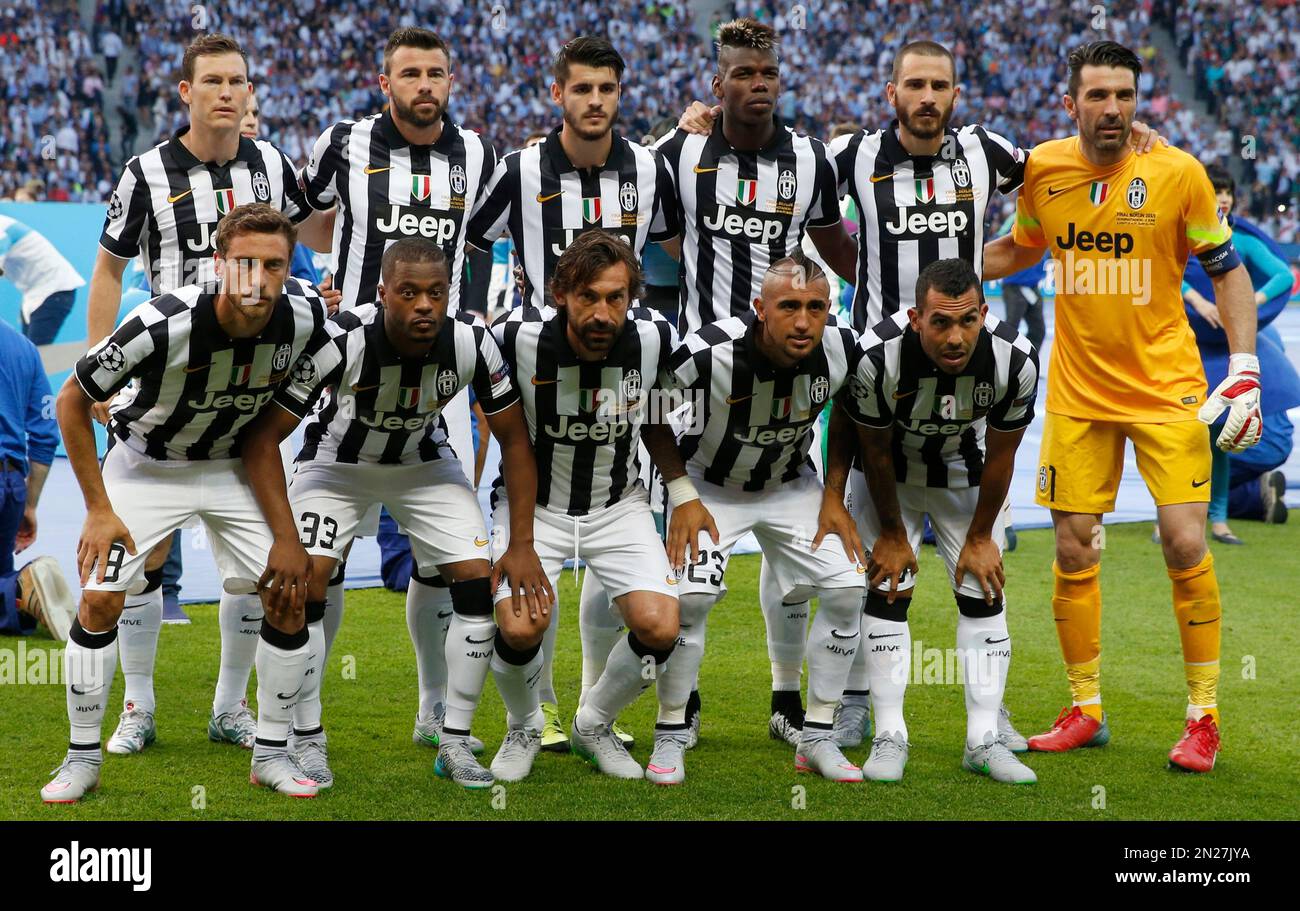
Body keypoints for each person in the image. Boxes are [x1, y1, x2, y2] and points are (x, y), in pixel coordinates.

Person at [983, 41, 1263, 773]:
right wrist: (918, 259)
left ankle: (1204, 717)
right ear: (1069, 103)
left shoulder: (1178, 172)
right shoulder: (1043, 167)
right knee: (1073, 546)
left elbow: (1225, 269)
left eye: (1126, 96)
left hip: (1167, 389)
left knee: (1183, 542)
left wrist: (1244, 367)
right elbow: (1021, 248)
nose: (1114, 109)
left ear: (1140, 103)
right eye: (1098, 95)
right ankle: (1086, 708)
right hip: (1078, 392)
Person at [88, 33, 335, 754]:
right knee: (146, 557)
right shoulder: (144, 174)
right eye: (215, 81)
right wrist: (106, 368)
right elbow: (107, 271)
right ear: (185, 93)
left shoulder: (271, 165)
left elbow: (314, 232)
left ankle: (231, 706)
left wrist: (351, 222)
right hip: (165, 392)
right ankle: (138, 706)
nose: (229, 93)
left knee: (250, 573)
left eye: (239, 81)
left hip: (252, 396)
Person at [624, 17, 863, 750]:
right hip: (700, 379)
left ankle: (788, 697)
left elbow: (833, 244)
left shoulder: (810, 159)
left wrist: (889, 297)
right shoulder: (681, 152)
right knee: (686, 568)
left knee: (791, 555)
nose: (757, 86)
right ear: (717, 82)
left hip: (787, 373)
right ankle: (679, 702)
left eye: (768, 74)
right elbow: (646, 227)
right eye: (742, 74)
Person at [44, 204, 329, 802]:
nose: (258, 278)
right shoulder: (162, 323)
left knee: (287, 594)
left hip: (233, 465)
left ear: (288, 267)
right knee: (99, 600)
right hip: (147, 465)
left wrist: (287, 533)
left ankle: (272, 754)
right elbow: (72, 398)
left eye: (272, 264)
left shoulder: (307, 315)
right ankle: (81, 759)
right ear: (219, 264)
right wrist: (98, 508)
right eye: (244, 263)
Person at [239, 236, 548, 789]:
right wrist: (285, 537)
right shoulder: (342, 339)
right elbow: (265, 438)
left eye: (435, 292)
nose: (424, 305)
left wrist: (519, 544)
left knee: (476, 584)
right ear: (383, 293)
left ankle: (452, 740)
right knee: (305, 581)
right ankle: (306, 738)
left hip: (423, 463)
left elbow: (515, 443)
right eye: (409, 293)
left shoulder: (473, 342)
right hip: (338, 463)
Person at [465, 36, 680, 754]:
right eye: (581, 89)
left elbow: (681, 248)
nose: (594, 102)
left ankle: (593, 711)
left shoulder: (649, 170)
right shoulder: (521, 168)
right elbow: (470, 240)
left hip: (619, 376)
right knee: (511, 560)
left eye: (607, 90)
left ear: (620, 96)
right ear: (558, 94)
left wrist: (660, 326)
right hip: (533, 371)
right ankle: (530, 713)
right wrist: (472, 325)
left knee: (620, 548)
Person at [298, 28, 498, 739]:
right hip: (348, 369)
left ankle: (433, 706)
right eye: (409, 73)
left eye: (435, 73)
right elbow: (302, 222)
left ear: (451, 81)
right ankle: (299, 719)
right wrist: (327, 289)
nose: (424, 84)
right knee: (317, 564)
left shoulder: (476, 153)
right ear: (385, 84)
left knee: (445, 560)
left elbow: (479, 242)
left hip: (435, 375)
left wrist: (467, 318)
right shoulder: (343, 142)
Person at [653, 250, 866, 783]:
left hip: (791, 485)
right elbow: (651, 413)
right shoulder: (710, 351)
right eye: (789, 306)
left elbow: (849, 414)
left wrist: (834, 494)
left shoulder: (841, 348)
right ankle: (672, 730)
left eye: (816, 307)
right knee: (691, 599)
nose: (802, 321)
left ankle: (816, 734)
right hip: (709, 485)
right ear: (760, 309)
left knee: (847, 591)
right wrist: (680, 493)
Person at [489, 230, 681, 783]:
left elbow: (660, 418)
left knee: (660, 626)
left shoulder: (653, 339)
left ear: (632, 297)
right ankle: (524, 724)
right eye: (588, 296)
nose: (603, 312)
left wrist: (684, 494)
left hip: (617, 505)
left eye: (615, 297)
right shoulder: (512, 337)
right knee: (523, 627)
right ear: (559, 294)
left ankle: (593, 723)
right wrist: (519, 542)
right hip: (536, 508)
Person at [842, 258, 1039, 783]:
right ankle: (889, 735)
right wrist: (890, 532)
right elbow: (876, 452)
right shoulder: (875, 357)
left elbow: (1002, 457)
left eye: (968, 321)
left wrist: (979, 537)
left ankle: (983, 740)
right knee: (888, 587)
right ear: (915, 318)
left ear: (983, 313)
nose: (956, 337)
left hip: (966, 477)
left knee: (985, 590)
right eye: (941, 323)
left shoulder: (1015, 361)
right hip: (890, 478)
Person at [1180, 165, 1296, 542]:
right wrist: (1197, 298)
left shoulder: (1241, 241)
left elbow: (1282, 275)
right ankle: (1194, 511)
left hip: (1229, 348)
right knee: (1181, 433)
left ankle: (1216, 516)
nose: (1224, 198)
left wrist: (1244, 302)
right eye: (1216, 191)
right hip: (1185, 345)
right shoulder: (1180, 235)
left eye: (1227, 191)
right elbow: (1158, 268)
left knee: (1221, 437)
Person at [0, 318, 72, 641]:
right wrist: (29, 505)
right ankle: (18, 592)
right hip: (11, 485)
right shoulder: (25, 348)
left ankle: (20, 585)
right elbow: (44, 435)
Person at [0, 214, 86, 345]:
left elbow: (2, 243)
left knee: (36, 354)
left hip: (54, 289)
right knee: (28, 353)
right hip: (34, 293)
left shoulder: (2, 227)